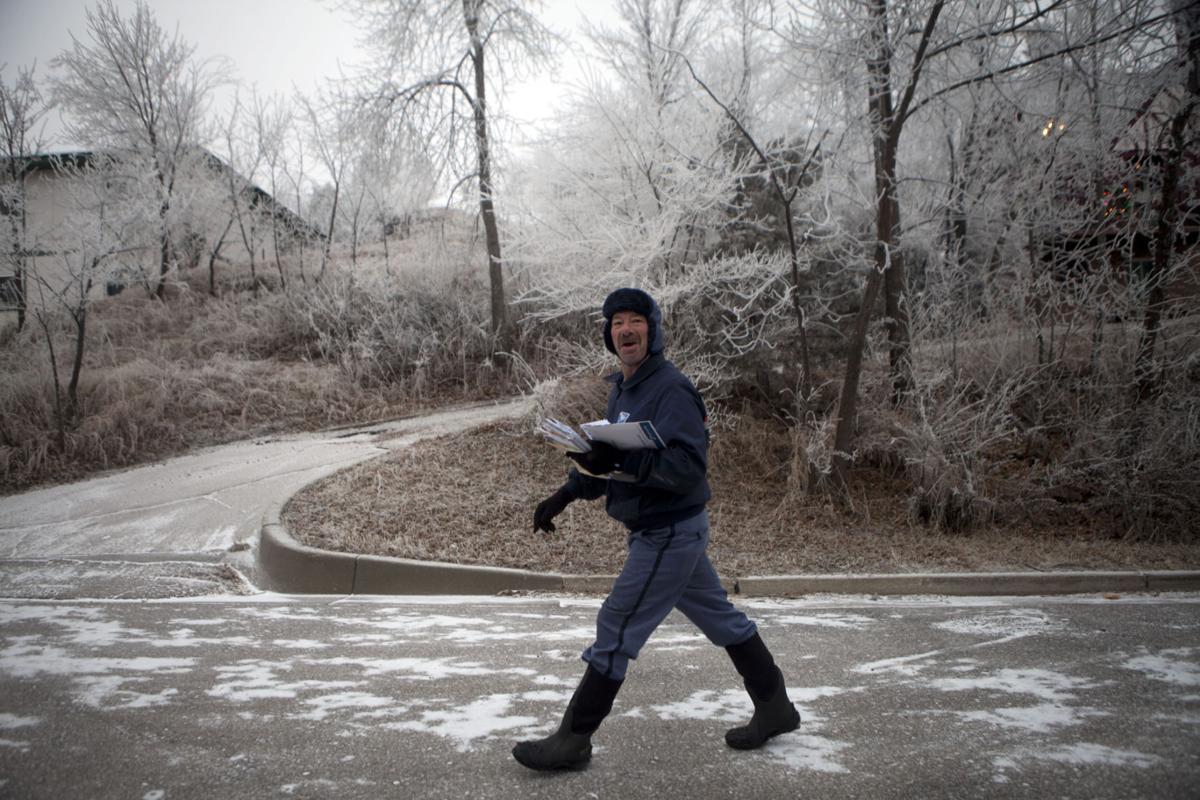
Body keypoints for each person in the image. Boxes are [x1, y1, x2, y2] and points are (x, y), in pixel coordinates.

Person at [512, 287, 800, 772]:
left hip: (669, 531)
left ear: (653, 329)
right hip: (668, 531)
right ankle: (775, 707)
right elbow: (617, 460)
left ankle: (574, 738)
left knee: (617, 623)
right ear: (609, 334)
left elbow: (688, 466)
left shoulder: (671, 389)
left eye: (636, 320)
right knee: (722, 620)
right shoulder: (624, 388)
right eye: (617, 322)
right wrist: (566, 493)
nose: (626, 329)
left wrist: (622, 457)